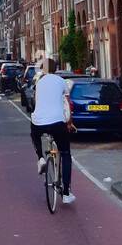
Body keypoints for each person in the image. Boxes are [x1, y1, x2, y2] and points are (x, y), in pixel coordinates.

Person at [30, 57, 76, 204]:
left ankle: (40, 158)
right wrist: (69, 122)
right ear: (56, 68)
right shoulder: (61, 81)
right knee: (66, 154)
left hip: (38, 122)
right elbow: (66, 104)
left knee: (34, 134)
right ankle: (67, 193)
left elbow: (36, 102)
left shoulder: (38, 82)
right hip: (57, 122)